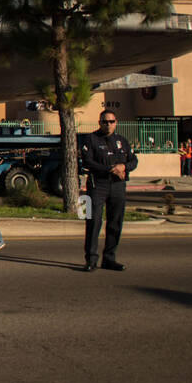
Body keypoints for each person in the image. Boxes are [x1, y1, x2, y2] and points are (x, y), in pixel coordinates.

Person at [79, 110, 137, 271]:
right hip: (98, 185)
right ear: (99, 123)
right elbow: (88, 161)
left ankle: (109, 258)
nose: (108, 124)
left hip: (118, 186)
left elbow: (133, 160)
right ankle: (91, 260)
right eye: (105, 122)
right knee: (93, 221)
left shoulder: (121, 141)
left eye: (111, 121)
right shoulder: (91, 139)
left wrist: (124, 167)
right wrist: (111, 169)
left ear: (116, 122)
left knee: (115, 223)